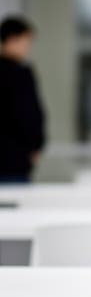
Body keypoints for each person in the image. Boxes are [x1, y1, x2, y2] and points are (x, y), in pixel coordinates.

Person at [0, 15, 46, 183]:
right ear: (12, 39)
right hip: (14, 158)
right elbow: (28, 113)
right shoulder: (19, 74)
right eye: (26, 42)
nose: (28, 47)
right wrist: (35, 146)